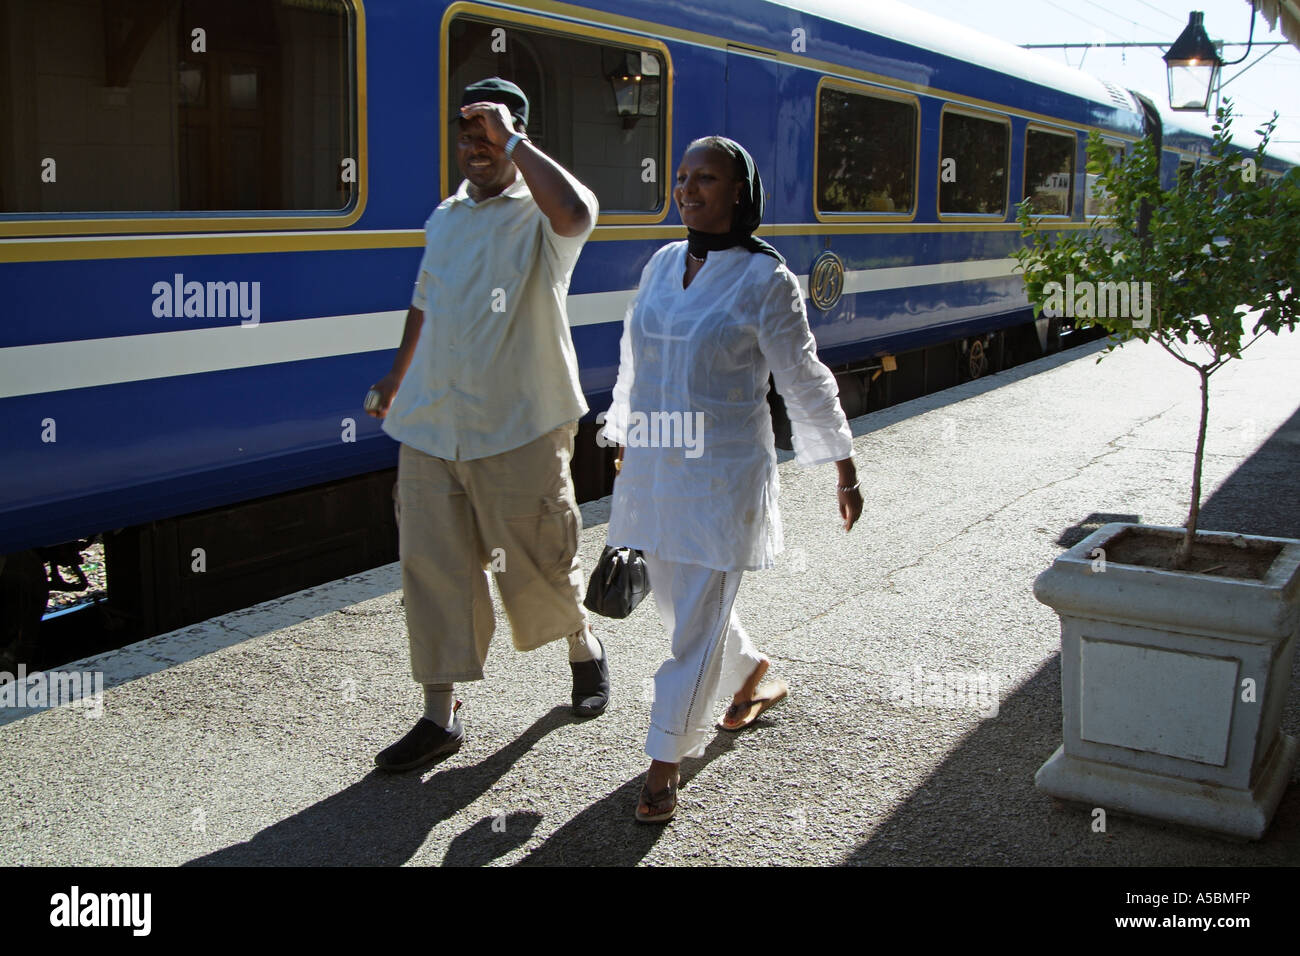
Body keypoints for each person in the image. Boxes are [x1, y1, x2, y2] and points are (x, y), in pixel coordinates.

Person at [600, 136, 863, 822]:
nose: (687, 188)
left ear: (739, 191)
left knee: (694, 628)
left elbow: (801, 377)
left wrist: (843, 461)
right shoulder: (661, 263)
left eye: (705, 178)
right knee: (680, 604)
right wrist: (622, 434)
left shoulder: (764, 279)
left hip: (721, 478)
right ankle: (748, 676)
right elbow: (639, 354)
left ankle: (663, 765)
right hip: (656, 467)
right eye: (682, 177)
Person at [365, 78, 609, 772]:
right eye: (467, 134)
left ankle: (582, 648)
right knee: (432, 569)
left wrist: (514, 139)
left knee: (538, 557)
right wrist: (395, 374)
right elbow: (424, 301)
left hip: (519, 420)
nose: (476, 146)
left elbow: (581, 212)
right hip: (431, 421)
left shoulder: (541, 214)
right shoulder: (445, 217)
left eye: (490, 134)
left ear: (516, 136)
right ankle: (440, 717)